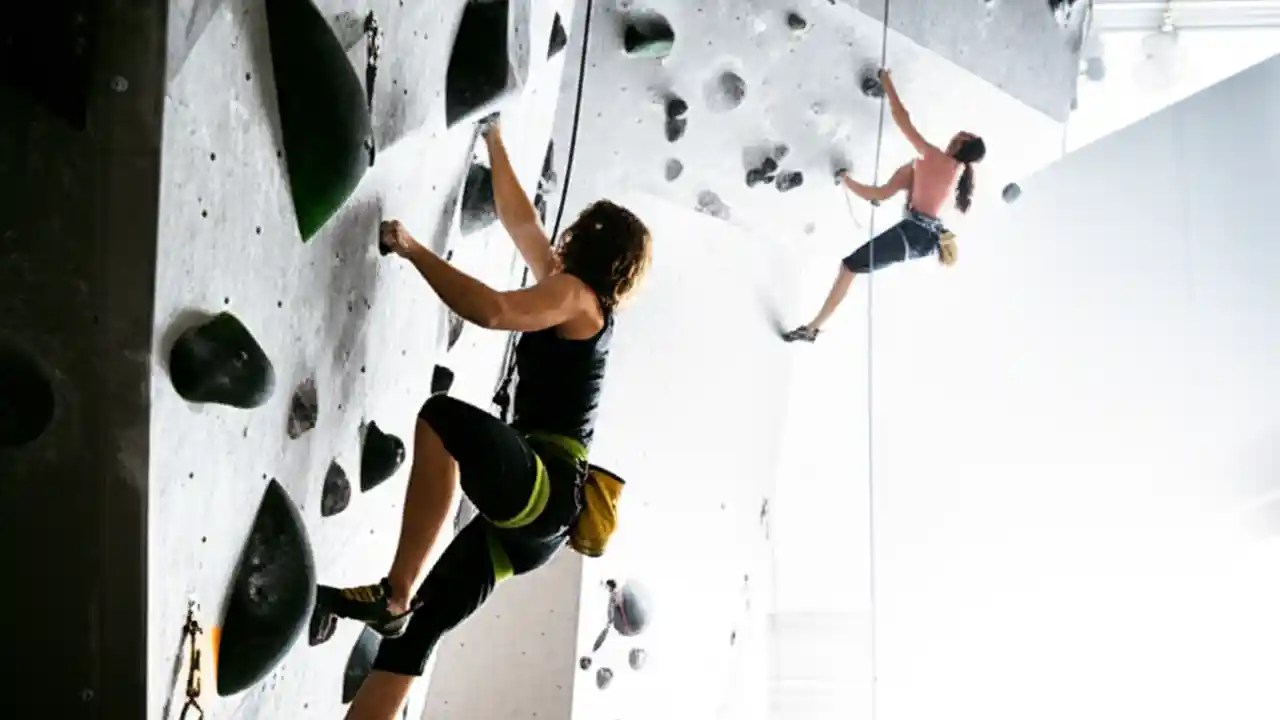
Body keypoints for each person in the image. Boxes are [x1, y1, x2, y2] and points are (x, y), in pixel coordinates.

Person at [311, 119, 652, 720]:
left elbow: (494, 311)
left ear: (590, 244)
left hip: (545, 488)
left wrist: (415, 251)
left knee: (442, 418)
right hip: (529, 529)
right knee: (414, 642)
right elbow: (522, 224)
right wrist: (494, 141)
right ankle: (396, 611)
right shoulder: (572, 295)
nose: (563, 240)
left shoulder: (575, 297)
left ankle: (394, 593)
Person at [782, 69, 986, 343]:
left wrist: (886, 80)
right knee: (850, 266)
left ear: (962, 143)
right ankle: (812, 328)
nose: (961, 131)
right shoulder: (932, 170)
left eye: (967, 134)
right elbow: (878, 193)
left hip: (917, 235)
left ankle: (812, 329)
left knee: (851, 265)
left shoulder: (941, 160)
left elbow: (903, 120)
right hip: (919, 237)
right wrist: (846, 180)